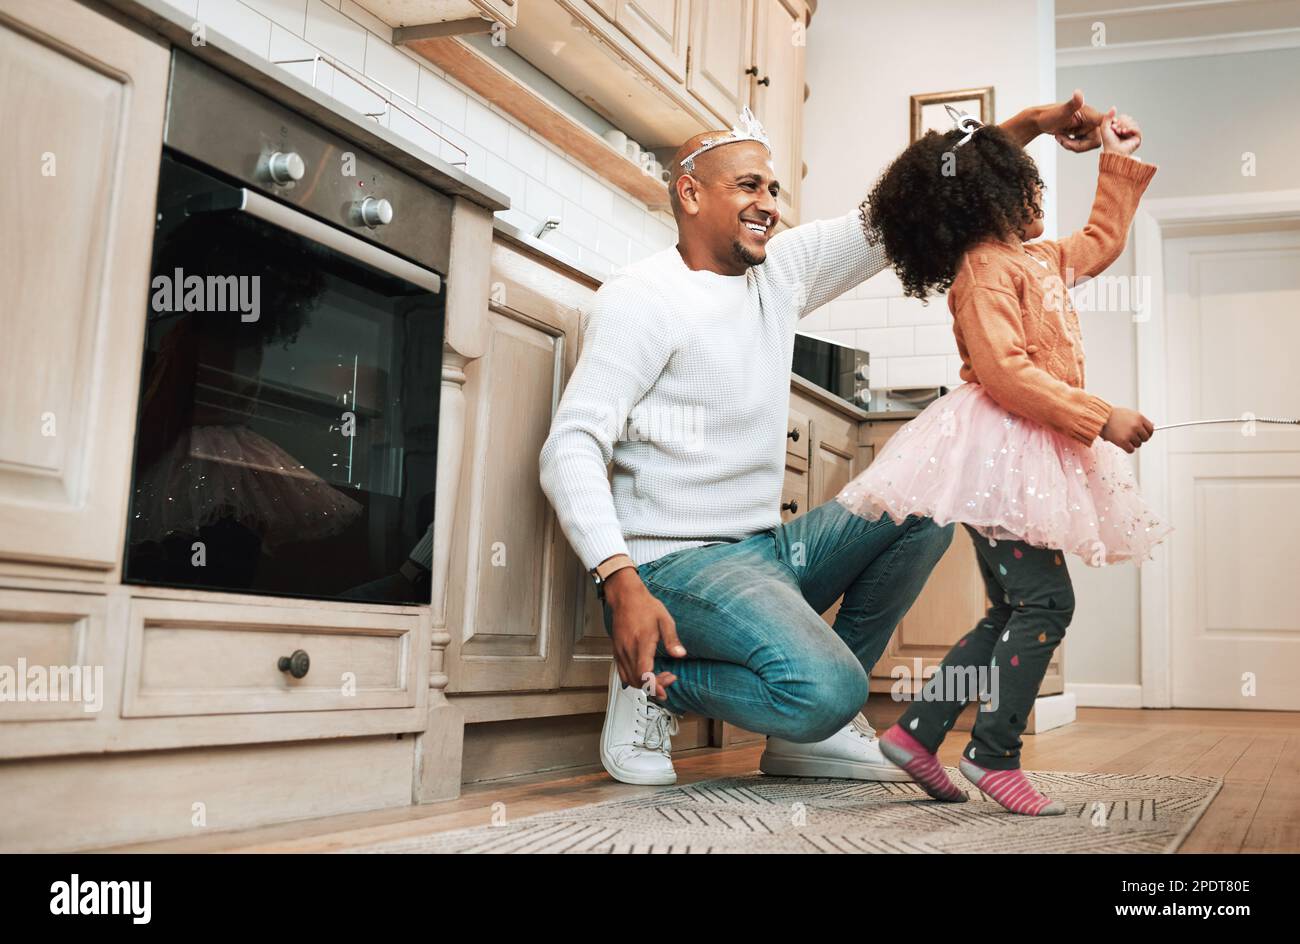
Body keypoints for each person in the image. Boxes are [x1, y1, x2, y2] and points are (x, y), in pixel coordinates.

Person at [539, 94, 1108, 786]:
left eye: (773, 188)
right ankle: (661, 686)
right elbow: (570, 445)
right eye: (748, 185)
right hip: (674, 569)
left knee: (923, 503)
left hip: (767, 554)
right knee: (834, 688)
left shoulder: (780, 271)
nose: (769, 203)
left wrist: (1035, 126)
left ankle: (811, 731)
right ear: (689, 193)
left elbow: (917, 195)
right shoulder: (642, 297)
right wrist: (619, 578)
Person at [840, 107, 1172, 814]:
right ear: (987, 200)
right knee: (1047, 603)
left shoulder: (1039, 258)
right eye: (1028, 187)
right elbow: (1005, 372)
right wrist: (1099, 416)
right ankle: (993, 754)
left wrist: (1114, 160)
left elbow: (1101, 241)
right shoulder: (984, 271)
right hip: (998, 452)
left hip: (1022, 450)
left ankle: (917, 733)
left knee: (1011, 609)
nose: (1040, 199)